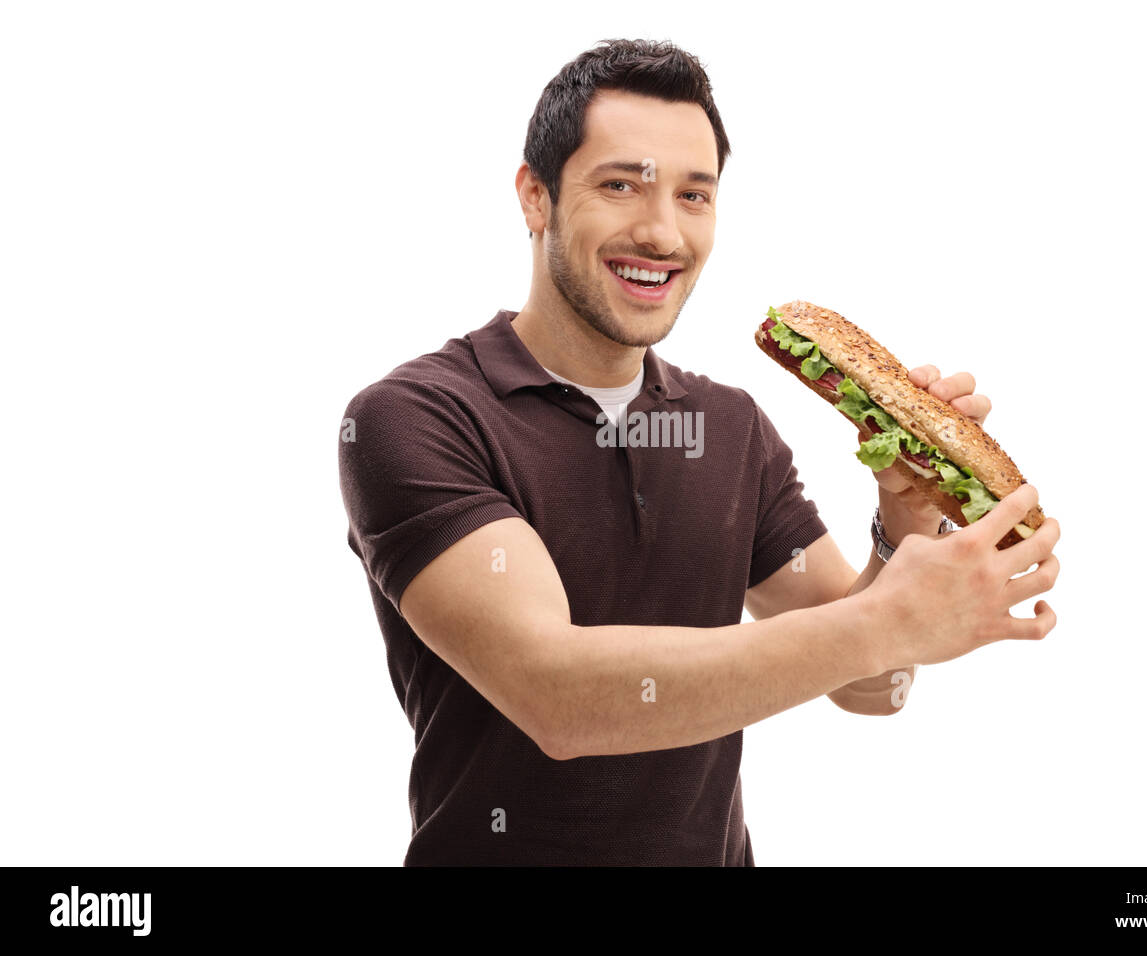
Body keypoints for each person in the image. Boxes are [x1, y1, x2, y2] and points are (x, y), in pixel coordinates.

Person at [337, 38, 1061, 866]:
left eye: (695, 195)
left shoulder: (730, 424)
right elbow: (559, 699)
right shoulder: (411, 419)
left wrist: (904, 521)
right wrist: (888, 619)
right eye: (621, 186)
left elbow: (868, 687)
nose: (661, 232)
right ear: (534, 198)